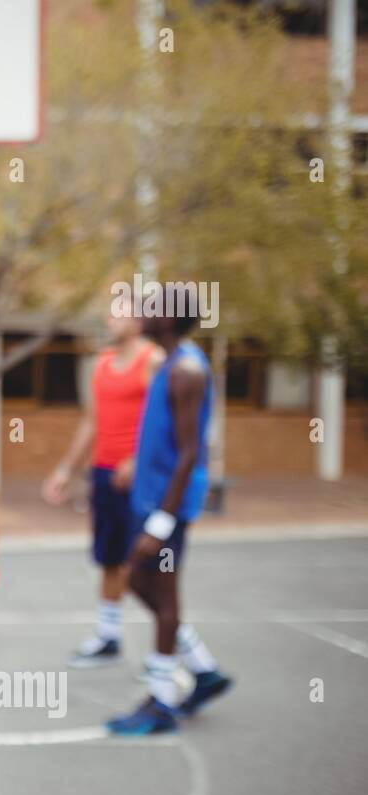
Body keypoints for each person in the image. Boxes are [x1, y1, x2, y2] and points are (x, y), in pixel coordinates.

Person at [106, 286, 233, 735]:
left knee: (163, 597)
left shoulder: (186, 371)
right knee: (142, 583)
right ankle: (202, 669)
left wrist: (162, 521)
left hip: (168, 507)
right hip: (152, 498)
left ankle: (161, 702)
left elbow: (188, 454)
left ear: (171, 317)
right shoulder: (169, 362)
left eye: (151, 306)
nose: (142, 311)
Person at [42, 301, 163, 668]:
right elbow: (90, 424)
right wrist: (65, 470)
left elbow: (161, 422)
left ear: (139, 320)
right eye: (109, 313)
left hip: (139, 480)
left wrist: (140, 462)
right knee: (110, 559)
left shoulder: (153, 359)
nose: (111, 319)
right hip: (104, 473)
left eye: (120, 313)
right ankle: (108, 637)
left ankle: (167, 648)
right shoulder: (101, 364)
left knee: (142, 566)